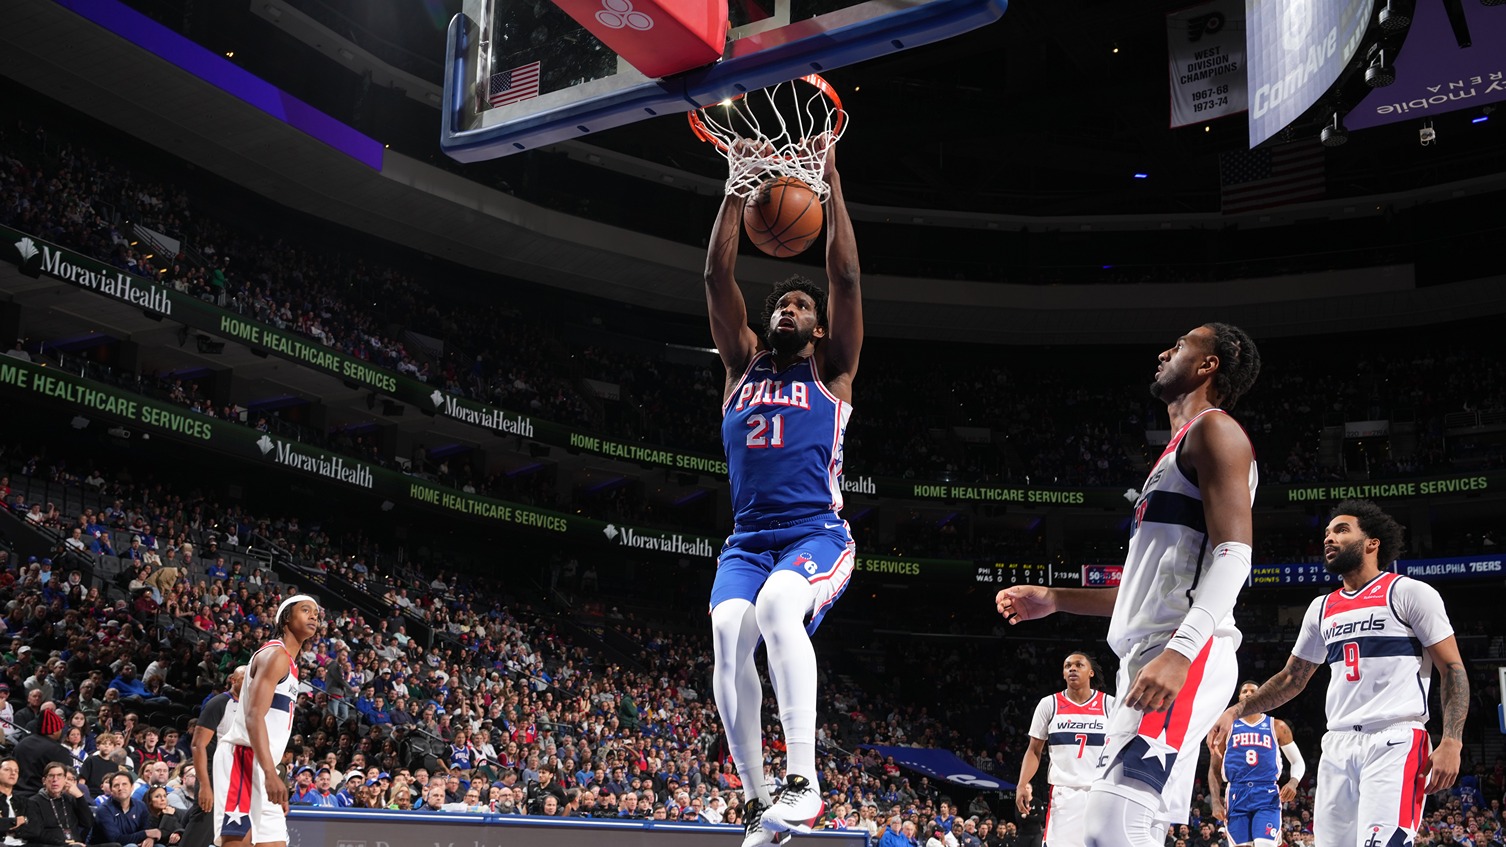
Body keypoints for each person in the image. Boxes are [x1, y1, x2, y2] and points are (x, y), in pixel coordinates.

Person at [997, 323, 1262, 847]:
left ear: (1208, 365)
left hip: (1185, 652)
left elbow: (1235, 557)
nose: (1164, 352)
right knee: (1129, 827)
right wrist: (1054, 598)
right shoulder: (1171, 455)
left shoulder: (1215, 430)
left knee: (1111, 823)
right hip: (1147, 657)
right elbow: (1146, 593)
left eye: (1180, 346)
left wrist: (1181, 653)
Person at [704, 137, 861, 847]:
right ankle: (758, 800)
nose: (790, 309)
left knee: (774, 609)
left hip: (815, 534)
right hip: (747, 540)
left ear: (820, 327)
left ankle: (804, 780)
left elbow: (846, 278)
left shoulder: (832, 370)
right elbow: (716, 275)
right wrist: (737, 189)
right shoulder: (741, 364)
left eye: (802, 305)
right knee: (727, 634)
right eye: (783, 304)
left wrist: (830, 185)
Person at [1209, 500, 1469, 847]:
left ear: (1372, 543)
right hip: (1337, 744)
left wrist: (1452, 740)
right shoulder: (1321, 608)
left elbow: (1452, 669)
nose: (1329, 538)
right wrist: (1237, 710)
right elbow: (1291, 679)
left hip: (1394, 738)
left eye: (1341, 530)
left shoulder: (1408, 592)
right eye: (1327, 533)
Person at [214, 595, 320, 847]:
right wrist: (271, 774)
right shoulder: (275, 655)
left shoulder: (290, 664)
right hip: (243, 757)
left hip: (263, 763)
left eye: (316, 613)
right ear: (286, 618)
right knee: (237, 842)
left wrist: (273, 774)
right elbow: (254, 716)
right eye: (306, 610)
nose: (314, 617)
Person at [1016, 652, 1116, 847]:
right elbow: (1034, 750)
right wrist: (1022, 784)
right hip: (1064, 793)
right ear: (1063, 674)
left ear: (1091, 673)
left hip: (1102, 791)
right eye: (1068, 666)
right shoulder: (1049, 704)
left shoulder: (1109, 704)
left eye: (1079, 665)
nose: (1072, 669)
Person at [1206, 681, 1305, 847]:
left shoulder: (1277, 726)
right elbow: (1214, 769)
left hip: (1266, 793)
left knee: (1264, 844)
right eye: (1245, 691)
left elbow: (1297, 761)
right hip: (1237, 793)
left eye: (1253, 691)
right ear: (1239, 697)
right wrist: (1215, 802)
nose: (1248, 694)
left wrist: (1293, 782)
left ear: (1262, 695)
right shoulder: (1226, 728)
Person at [15, 760, 116, 847]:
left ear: (65, 780)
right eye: (51, 776)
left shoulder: (70, 799)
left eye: (59, 776)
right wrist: (65, 844)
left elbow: (88, 823)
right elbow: (38, 834)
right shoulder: (33, 802)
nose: (55, 780)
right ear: (44, 781)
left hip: (77, 844)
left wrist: (79, 796)